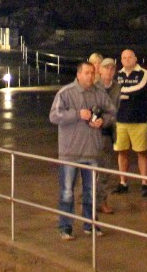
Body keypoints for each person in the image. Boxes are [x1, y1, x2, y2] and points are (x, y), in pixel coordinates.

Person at [49, 61, 116, 240]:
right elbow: (54, 115)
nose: (90, 76)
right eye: (86, 73)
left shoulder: (99, 94)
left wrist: (103, 121)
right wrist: (77, 114)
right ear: (78, 75)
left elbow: (112, 112)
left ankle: (91, 224)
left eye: (92, 73)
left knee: (90, 191)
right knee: (67, 192)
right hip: (70, 152)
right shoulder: (65, 93)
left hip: (92, 151)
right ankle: (65, 226)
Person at [115, 48, 147, 197]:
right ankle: (123, 182)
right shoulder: (117, 75)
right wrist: (125, 94)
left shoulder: (144, 73)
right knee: (122, 152)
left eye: (129, 57)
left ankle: (144, 183)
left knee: (141, 152)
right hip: (120, 120)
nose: (127, 60)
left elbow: (139, 89)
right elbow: (114, 91)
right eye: (124, 58)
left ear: (135, 58)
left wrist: (123, 93)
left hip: (138, 119)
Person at [95, 57, 121, 214]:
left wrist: (106, 120)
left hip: (107, 132)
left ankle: (101, 200)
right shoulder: (94, 87)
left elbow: (114, 109)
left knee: (105, 169)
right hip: (91, 132)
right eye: (106, 68)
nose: (109, 71)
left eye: (112, 69)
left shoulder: (117, 87)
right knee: (90, 167)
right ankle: (87, 198)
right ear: (100, 70)